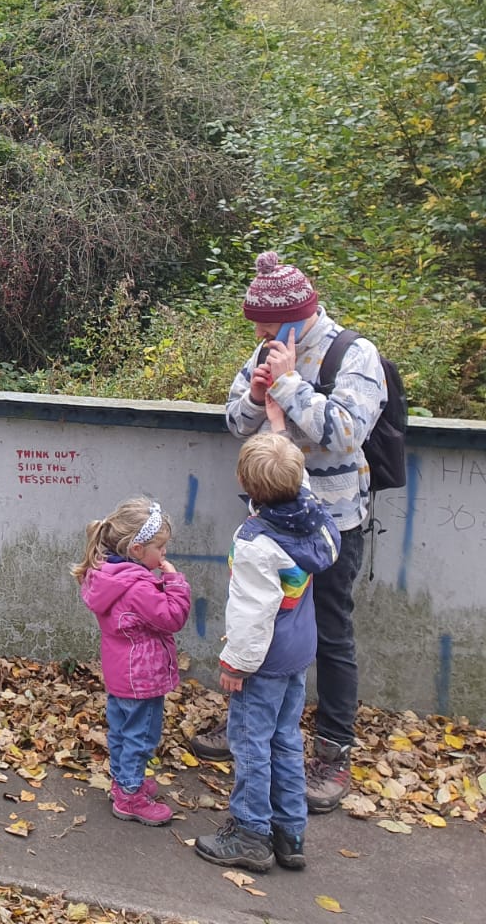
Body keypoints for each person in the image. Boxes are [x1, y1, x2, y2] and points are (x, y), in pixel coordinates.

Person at [198, 252, 387, 813]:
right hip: (269, 521)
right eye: (255, 327)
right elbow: (234, 422)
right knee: (257, 620)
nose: (258, 336)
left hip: (330, 525)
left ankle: (332, 750)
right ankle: (248, 725)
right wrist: (258, 394)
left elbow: (347, 433)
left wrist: (288, 387)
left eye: (264, 326)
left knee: (328, 633)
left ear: (298, 315)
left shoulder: (353, 355)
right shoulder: (265, 351)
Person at [195, 431, 341, 873]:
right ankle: (290, 833)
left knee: (250, 744)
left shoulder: (256, 543)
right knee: (286, 739)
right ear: (298, 479)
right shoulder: (315, 519)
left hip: (264, 659)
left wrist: (235, 664)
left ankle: (251, 834)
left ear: (244, 482)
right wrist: (278, 430)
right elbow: (296, 481)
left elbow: (251, 612)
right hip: (299, 651)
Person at [74, 497, 191, 826]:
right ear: (138, 549)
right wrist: (175, 582)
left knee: (123, 730)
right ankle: (130, 794)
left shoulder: (108, 576)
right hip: (143, 676)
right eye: (161, 547)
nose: (164, 553)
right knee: (142, 734)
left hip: (120, 673)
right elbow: (173, 616)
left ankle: (123, 779)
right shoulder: (138, 587)